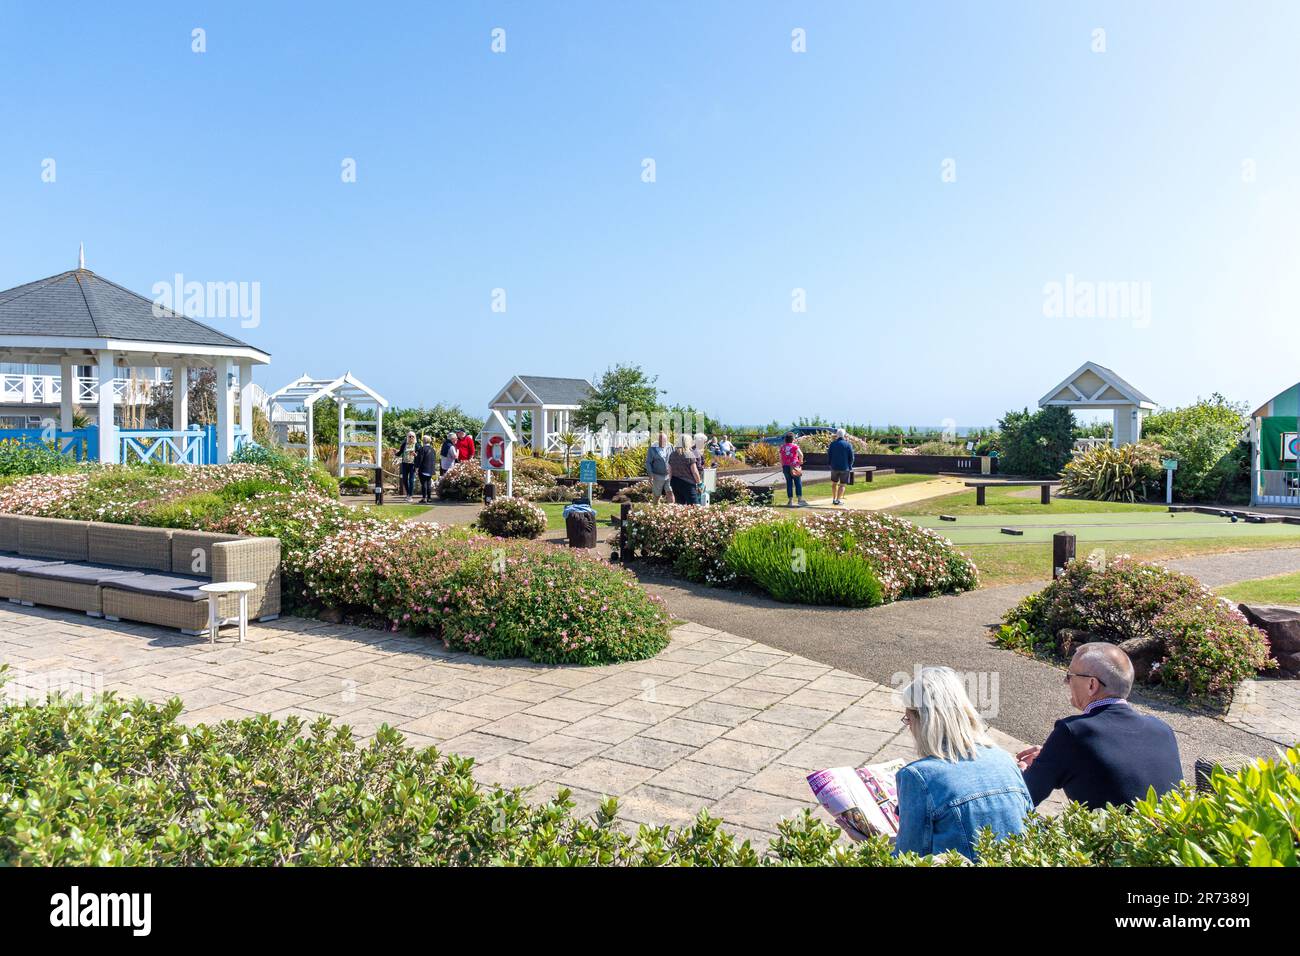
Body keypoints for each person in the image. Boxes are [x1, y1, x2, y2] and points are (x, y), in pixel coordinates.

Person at [1017, 643, 1183, 810]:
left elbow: (1022, 799)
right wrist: (1051, 756)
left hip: (1110, 836)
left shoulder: (1074, 732)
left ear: (1092, 685)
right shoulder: (1163, 730)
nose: (1066, 682)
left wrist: (1019, 770)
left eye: (1070, 675)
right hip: (1172, 834)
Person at [893, 667, 1032, 861]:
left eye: (908, 719)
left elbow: (907, 857)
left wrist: (870, 841)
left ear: (923, 720)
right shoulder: (1004, 759)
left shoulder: (918, 776)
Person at [668, 433, 701, 505]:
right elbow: (694, 471)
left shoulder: (672, 454)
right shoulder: (689, 454)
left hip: (675, 482)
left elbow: (669, 471)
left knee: (679, 505)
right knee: (694, 506)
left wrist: (669, 483)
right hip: (688, 484)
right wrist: (699, 483)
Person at [827, 428, 855, 506]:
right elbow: (851, 457)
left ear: (837, 435)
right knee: (842, 484)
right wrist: (850, 465)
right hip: (845, 467)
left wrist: (830, 464)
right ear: (844, 435)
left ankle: (833, 499)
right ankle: (838, 500)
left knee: (834, 483)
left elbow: (829, 455)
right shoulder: (848, 444)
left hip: (834, 467)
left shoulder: (832, 444)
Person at [778, 431, 807, 507]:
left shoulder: (782, 447)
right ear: (793, 439)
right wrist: (800, 461)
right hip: (794, 466)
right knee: (797, 482)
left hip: (785, 466)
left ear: (785, 440)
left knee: (789, 483)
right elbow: (801, 454)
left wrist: (783, 464)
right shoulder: (795, 446)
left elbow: (780, 458)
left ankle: (790, 500)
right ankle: (799, 499)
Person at [645, 431, 673, 504]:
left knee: (670, 493)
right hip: (657, 475)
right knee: (657, 495)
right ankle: (655, 511)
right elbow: (648, 462)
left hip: (669, 475)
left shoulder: (670, 446)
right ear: (658, 440)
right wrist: (650, 475)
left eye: (665, 440)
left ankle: (672, 510)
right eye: (662, 440)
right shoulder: (652, 449)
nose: (663, 442)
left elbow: (674, 459)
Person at [396, 430, 418, 501]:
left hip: (412, 464)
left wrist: (415, 454)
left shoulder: (417, 445)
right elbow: (400, 453)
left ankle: (410, 495)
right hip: (405, 464)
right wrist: (395, 453)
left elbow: (420, 455)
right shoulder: (404, 444)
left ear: (414, 437)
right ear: (407, 437)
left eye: (412, 436)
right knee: (404, 480)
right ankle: (408, 493)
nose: (411, 437)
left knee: (411, 480)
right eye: (409, 436)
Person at [415, 434, 436, 502]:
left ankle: (424, 498)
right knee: (428, 484)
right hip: (430, 469)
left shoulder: (422, 449)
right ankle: (429, 498)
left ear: (424, 441)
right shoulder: (432, 449)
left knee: (424, 484)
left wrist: (417, 468)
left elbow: (420, 459)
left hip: (423, 468)